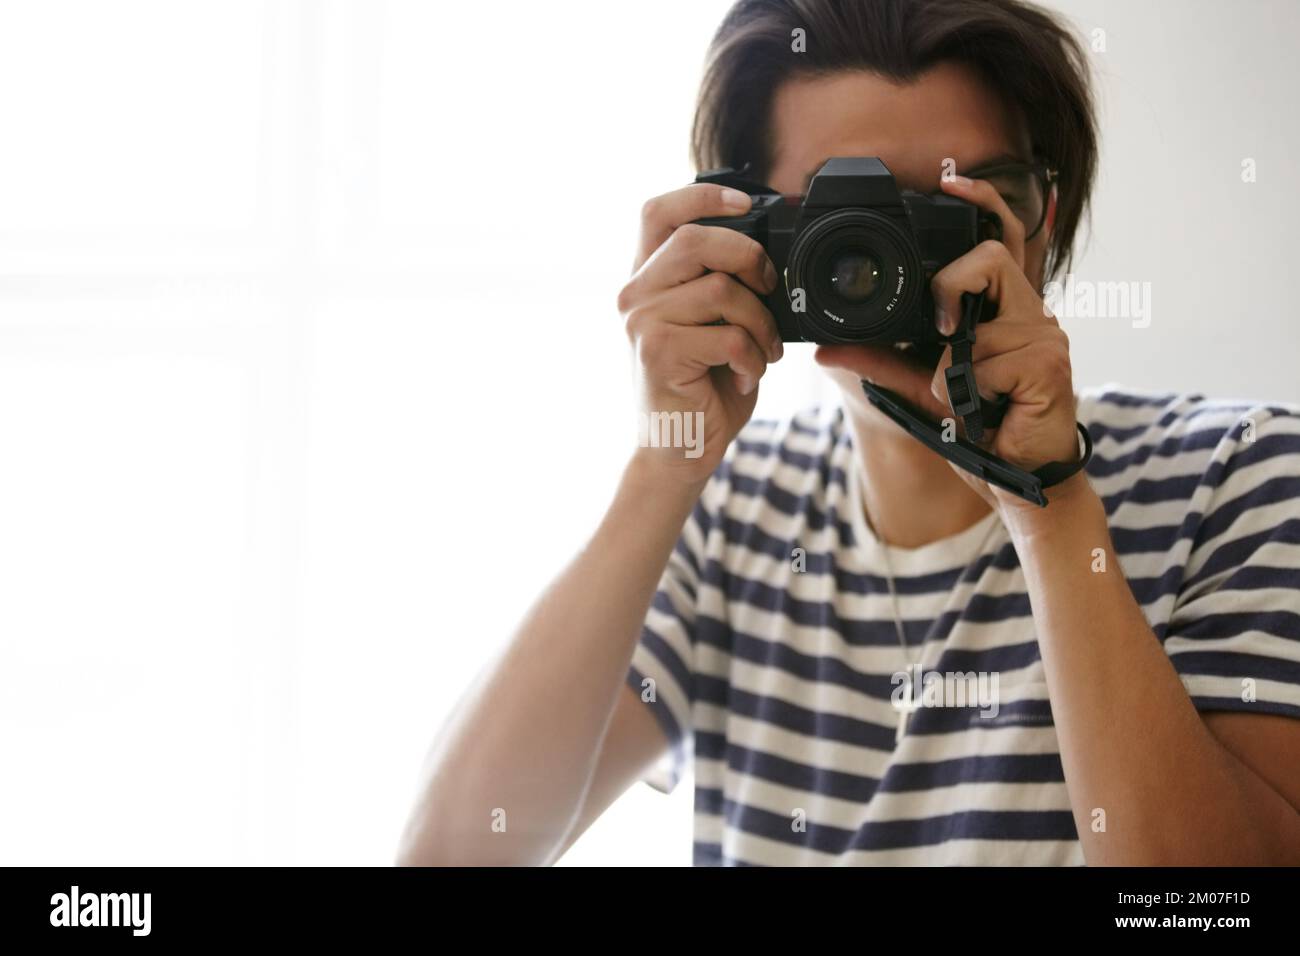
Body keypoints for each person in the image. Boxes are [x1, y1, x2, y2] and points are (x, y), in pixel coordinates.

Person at [398, 0, 1300, 865]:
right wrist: (662, 467)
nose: (894, 260)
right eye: (848, 214)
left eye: (951, 208)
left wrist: (1053, 508)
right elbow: (455, 856)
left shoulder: (1237, 479)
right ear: (742, 234)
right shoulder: (733, 518)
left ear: (1038, 222)